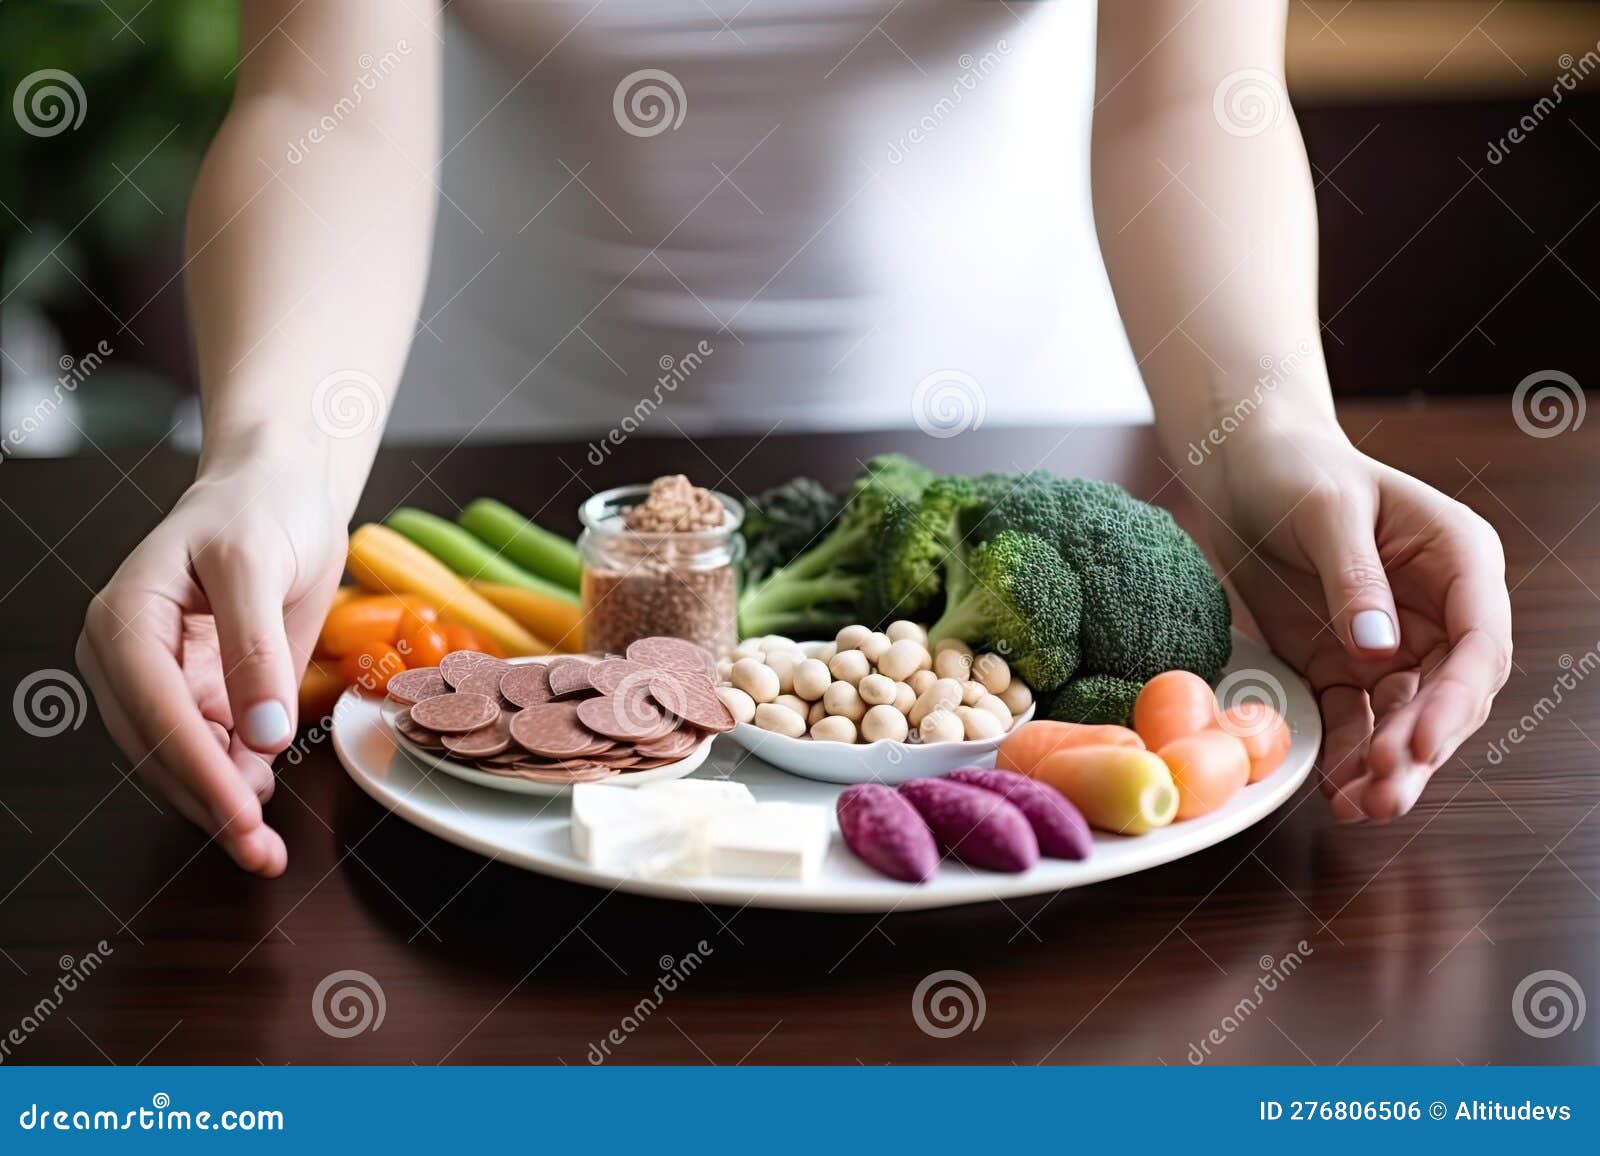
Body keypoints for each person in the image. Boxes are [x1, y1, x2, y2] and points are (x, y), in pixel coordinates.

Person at [76, 1, 1512, 877]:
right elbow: (321, 104)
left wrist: (1270, 434)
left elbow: (1191, 96)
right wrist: (274, 463)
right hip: (507, 448)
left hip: (1018, 439)